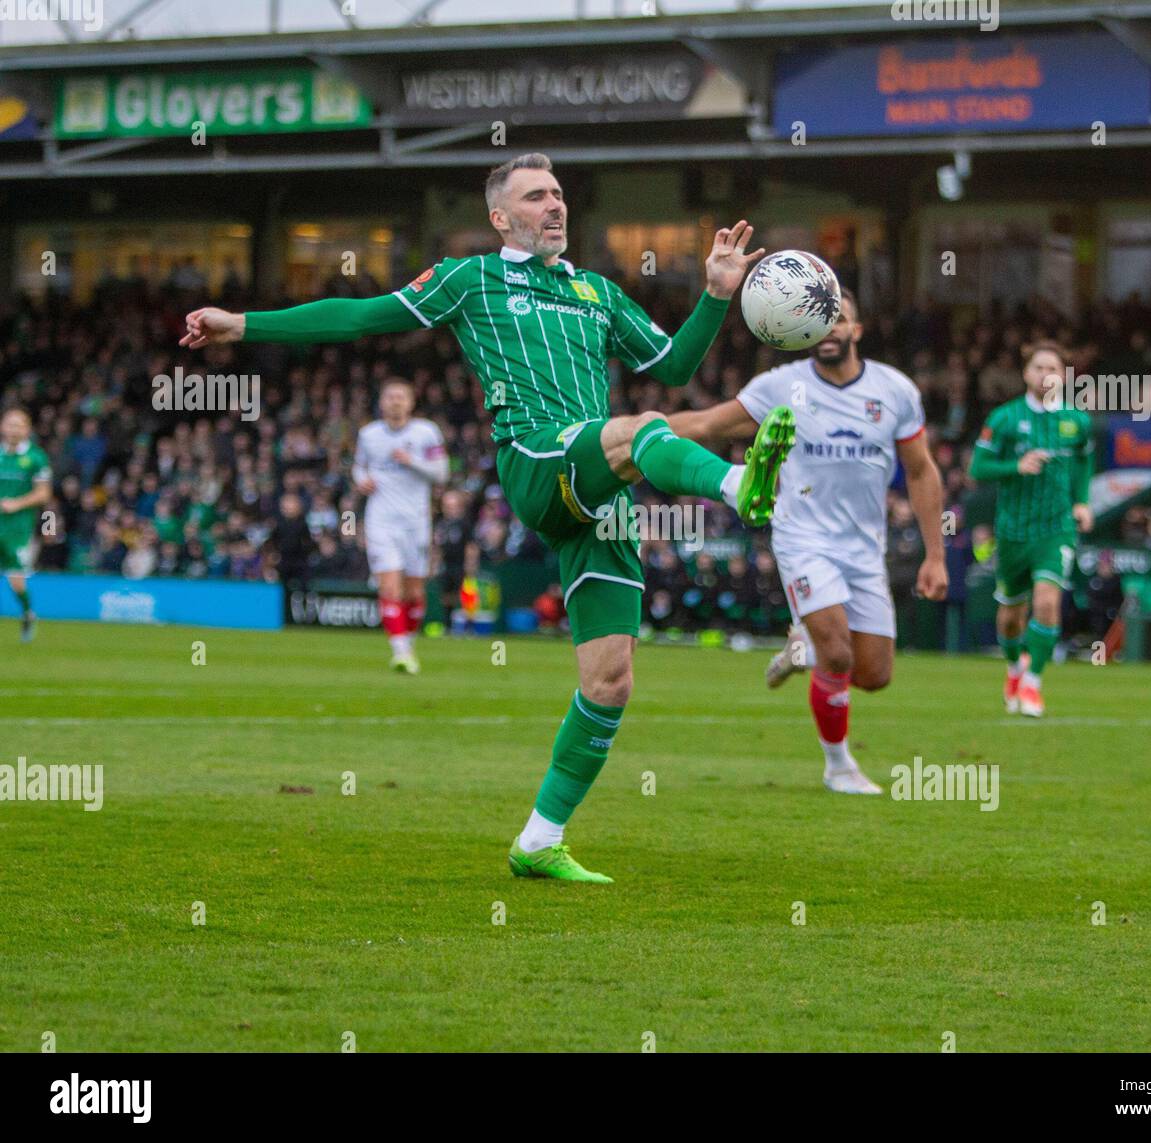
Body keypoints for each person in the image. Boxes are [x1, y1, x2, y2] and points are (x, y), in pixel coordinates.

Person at [180, 151, 793, 883]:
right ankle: (737, 488)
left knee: (610, 678)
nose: (555, 205)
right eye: (537, 196)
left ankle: (539, 838)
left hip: (598, 492)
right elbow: (358, 316)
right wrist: (243, 325)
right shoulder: (468, 278)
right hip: (539, 460)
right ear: (501, 217)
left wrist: (718, 295)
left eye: (560, 193)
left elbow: (674, 363)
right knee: (644, 428)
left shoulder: (598, 292)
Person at [670, 293, 948, 794]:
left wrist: (935, 554)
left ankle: (803, 650)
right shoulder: (781, 385)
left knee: (875, 674)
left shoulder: (895, 390)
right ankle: (839, 766)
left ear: (857, 329)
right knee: (838, 656)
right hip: (803, 537)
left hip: (865, 549)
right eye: (817, 322)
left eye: (838, 319)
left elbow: (922, 470)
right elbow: (709, 423)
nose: (829, 329)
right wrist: (629, 434)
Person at [967, 341, 1094, 718]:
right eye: (1038, 368)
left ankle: (1033, 683)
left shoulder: (1077, 421)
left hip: (1056, 528)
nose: (1045, 375)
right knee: (1010, 615)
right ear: (1025, 373)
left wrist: (1082, 502)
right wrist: (1015, 467)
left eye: (1052, 368)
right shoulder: (1005, 419)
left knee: (1048, 601)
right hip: (1012, 531)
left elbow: (1085, 460)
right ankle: (1013, 669)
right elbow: (978, 468)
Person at [351, 379, 449, 672]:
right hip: (380, 519)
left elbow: (442, 473)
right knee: (390, 585)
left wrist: (411, 461)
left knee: (414, 592)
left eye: (401, 397)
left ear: (411, 402)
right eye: (390, 397)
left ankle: (408, 644)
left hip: (416, 520)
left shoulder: (427, 432)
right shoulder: (369, 434)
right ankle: (401, 652)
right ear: (381, 402)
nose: (395, 402)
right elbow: (358, 466)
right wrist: (360, 480)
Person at [0, 408, 53, 643]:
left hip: (18, 528)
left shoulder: (36, 457)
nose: (13, 429)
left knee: (16, 580)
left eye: (18, 425)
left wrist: (17, 503)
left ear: (27, 429)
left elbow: (44, 493)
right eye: (10, 424)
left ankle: (28, 614)